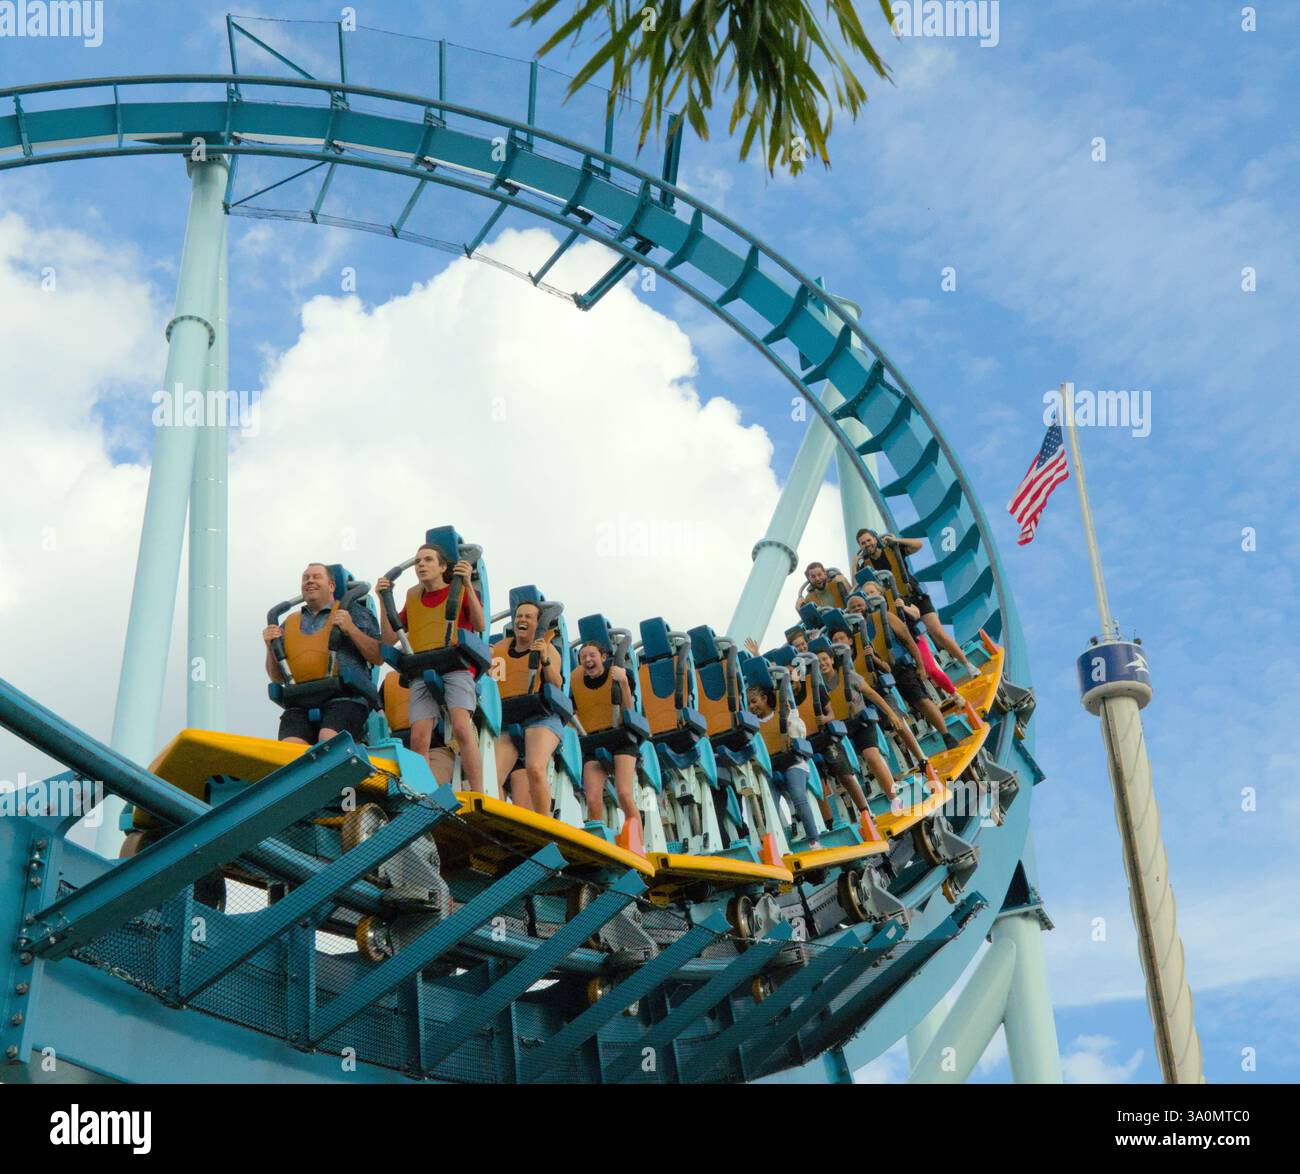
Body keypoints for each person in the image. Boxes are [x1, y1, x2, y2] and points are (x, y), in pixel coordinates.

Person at [377, 544, 485, 791]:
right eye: (417, 561)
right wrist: (383, 601)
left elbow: (479, 624)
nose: (421, 565)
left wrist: (467, 583)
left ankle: (479, 792)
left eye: (428, 560)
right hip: (422, 667)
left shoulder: (458, 591)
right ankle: (423, 793)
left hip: (456, 666)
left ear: (443, 567)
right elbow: (388, 638)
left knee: (460, 726)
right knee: (418, 738)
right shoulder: (413, 596)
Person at [263, 562, 381, 745]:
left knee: (328, 739)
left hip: (344, 698)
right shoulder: (289, 623)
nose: (309, 581)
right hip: (300, 702)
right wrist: (270, 647)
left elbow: (377, 657)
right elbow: (277, 677)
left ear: (332, 586)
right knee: (290, 749)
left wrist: (351, 628)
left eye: (316, 577)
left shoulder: (354, 612)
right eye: (305, 578)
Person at [854, 528, 975, 674]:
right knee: (909, 638)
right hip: (896, 604)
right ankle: (933, 667)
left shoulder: (892, 549)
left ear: (875, 539)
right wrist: (855, 562)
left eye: (869, 540)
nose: (867, 544)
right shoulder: (865, 564)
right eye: (863, 543)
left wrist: (896, 540)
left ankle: (967, 665)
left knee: (936, 631)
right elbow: (858, 582)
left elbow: (918, 545)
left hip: (914, 596)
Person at [817, 638, 919, 809]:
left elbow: (872, 695)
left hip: (860, 723)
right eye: (818, 662)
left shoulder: (849, 676)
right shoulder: (818, 688)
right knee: (841, 768)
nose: (822, 663)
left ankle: (894, 799)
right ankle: (863, 811)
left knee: (871, 756)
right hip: (840, 731)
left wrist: (891, 714)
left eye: (825, 659)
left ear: (832, 660)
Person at [859, 581, 958, 748]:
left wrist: (920, 665)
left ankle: (946, 735)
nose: (868, 597)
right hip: (882, 676)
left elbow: (908, 640)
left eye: (871, 593)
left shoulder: (887, 617)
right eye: (865, 594)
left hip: (900, 668)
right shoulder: (859, 631)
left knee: (921, 700)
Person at [491, 598, 565, 814]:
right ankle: (501, 818)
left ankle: (545, 822)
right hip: (509, 717)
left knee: (534, 768)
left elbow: (556, 684)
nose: (522, 620)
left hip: (541, 715)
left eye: (528, 617)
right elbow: (494, 683)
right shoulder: (499, 650)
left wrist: (545, 659)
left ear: (539, 623)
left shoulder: (549, 649)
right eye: (519, 616)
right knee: (491, 774)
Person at [571, 642, 644, 848]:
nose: (587, 660)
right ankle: (599, 844)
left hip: (620, 739)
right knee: (593, 798)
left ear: (603, 657)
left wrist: (623, 683)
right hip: (592, 740)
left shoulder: (619, 674)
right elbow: (572, 713)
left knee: (623, 793)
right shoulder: (576, 680)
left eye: (592, 655)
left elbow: (629, 710)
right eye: (583, 656)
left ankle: (638, 845)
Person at [745, 682, 822, 849]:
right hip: (771, 767)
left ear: (764, 698)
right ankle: (780, 846)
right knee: (767, 804)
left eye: (754, 701)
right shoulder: (752, 726)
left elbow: (800, 733)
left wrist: (788, 720)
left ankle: (814, 840)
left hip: (793, 762)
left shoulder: (783, 714)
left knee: (797, 794)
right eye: (748, 704)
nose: (751, 706)